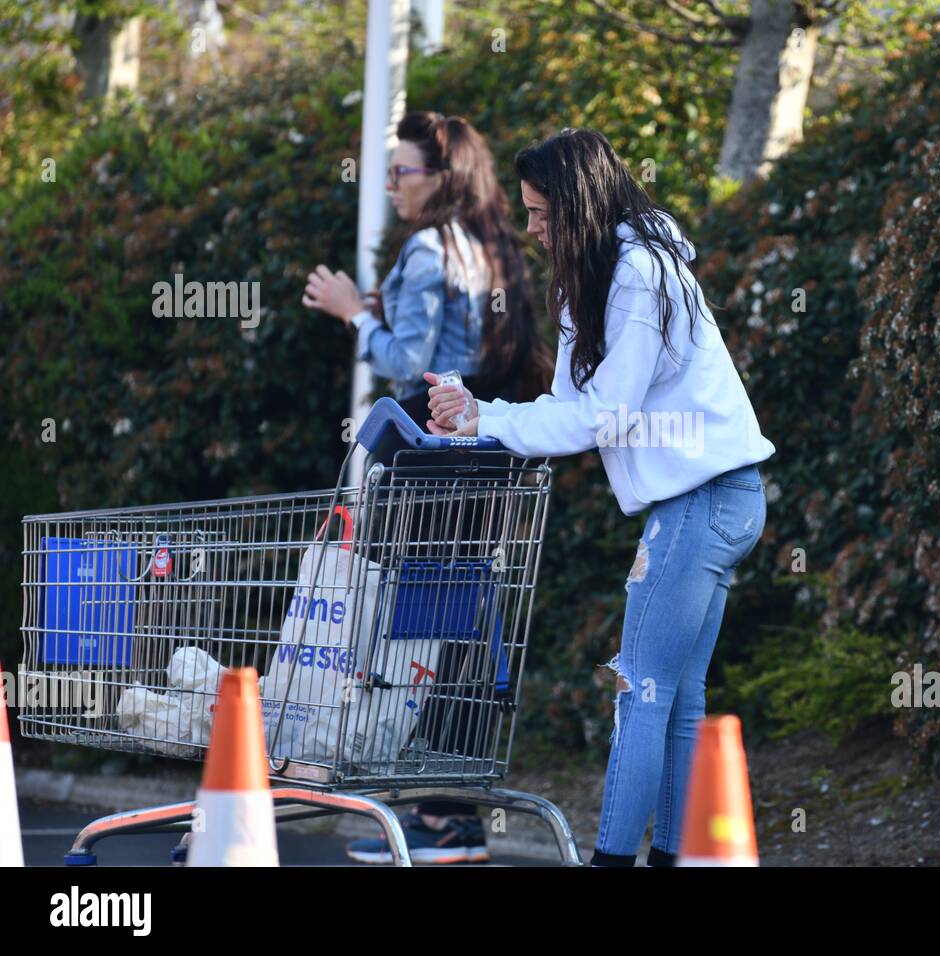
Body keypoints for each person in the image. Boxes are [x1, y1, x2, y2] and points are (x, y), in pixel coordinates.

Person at [424, 128, 776, 866]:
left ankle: (614, 860)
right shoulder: (598, 276)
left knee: (639, 692)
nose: (533, 227)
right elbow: (565, 407)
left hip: (702, 502)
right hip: (718, 499)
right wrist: (477, 412)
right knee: (675, 701)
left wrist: (490, 419)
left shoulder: (639, 275)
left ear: (578, 204)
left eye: (543, 213)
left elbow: (604, 416)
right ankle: (667, 858)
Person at [302, 111, 552, 864]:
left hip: (430, 460)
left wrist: (353, 316)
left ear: (441, 178)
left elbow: (410, 362)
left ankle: (441, 818)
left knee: (415, 629)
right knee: (461, 627)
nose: (390, 184)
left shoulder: (424, 248)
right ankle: (453, 808)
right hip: (484, 458)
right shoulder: (491, 249)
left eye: (401, 170)